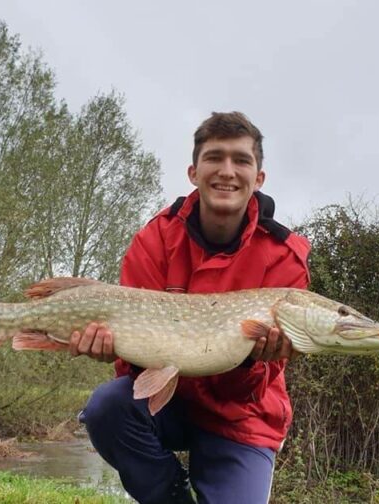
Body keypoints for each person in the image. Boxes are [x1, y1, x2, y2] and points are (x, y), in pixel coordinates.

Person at [71, 112, 310, 504]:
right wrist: (112, 347)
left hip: (241, 418)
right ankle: (171, 494)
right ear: (193, 172)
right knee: (108, 406)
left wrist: (252, 360)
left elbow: (255, 391)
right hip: (171, 404)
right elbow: (134, 369)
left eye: (241, 160)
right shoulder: (155, 239)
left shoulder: (285, 258)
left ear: (259, 178)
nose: (227, 171)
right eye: (215, 157)